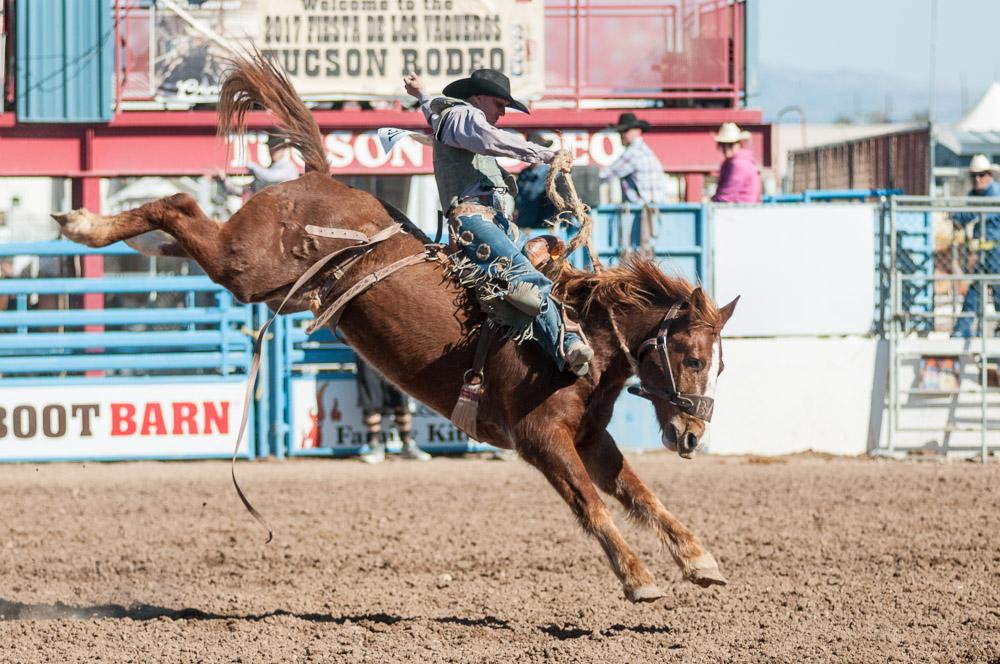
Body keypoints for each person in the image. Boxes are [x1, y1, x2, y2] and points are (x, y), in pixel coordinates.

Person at [403, 69, 593, 376]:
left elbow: (433, 113)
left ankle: (551, 351)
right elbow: (488, 139)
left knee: (527, 282)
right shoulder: (463, 115)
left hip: (492, 221)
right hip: (475, 219)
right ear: (478, 98)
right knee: (524, 279)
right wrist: (546, 155)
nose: (503, 113)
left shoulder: (450, 119)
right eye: (499, 104)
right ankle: (568, 344)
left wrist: (422, 93)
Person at [952, 153, 1000, 338]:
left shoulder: (994, 194)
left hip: (997, 251)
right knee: (975, 291)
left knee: (997, 289)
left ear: (989, 175)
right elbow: (968, 213)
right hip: (984, 254)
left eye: (981, 175)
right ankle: (962, 330)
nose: (977, 179)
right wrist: (958, 218)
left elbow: (974, 213)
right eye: (974, 176)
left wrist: (958, 216)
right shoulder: (974, 195)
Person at [356, 357, 431, 463]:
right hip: (368, 354)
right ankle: (374, 446)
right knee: (371, 402)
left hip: (393, 354)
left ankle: (407, 445)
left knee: (401, 401)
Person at [598, 112, 671, 205]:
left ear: (637, 131)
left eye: (625, 131)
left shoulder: (634, 152)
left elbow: (606, 174)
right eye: (620, 131)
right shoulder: (645, 150)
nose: (621, 135)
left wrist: (586, 179)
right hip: (656, 206)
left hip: (642, 209)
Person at [514, 132, 558, 228]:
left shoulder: (553, 174)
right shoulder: (523, 174)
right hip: (524, 225)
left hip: (545, 226)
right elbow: (518, 201)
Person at [711, 122, 762, 203]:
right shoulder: (732, 162)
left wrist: (711, 202)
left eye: (730, 144)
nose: (726, 148)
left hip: (739, 208)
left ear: (739, 144)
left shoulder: (739, 164)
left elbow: (726, 195)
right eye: (723, 144)